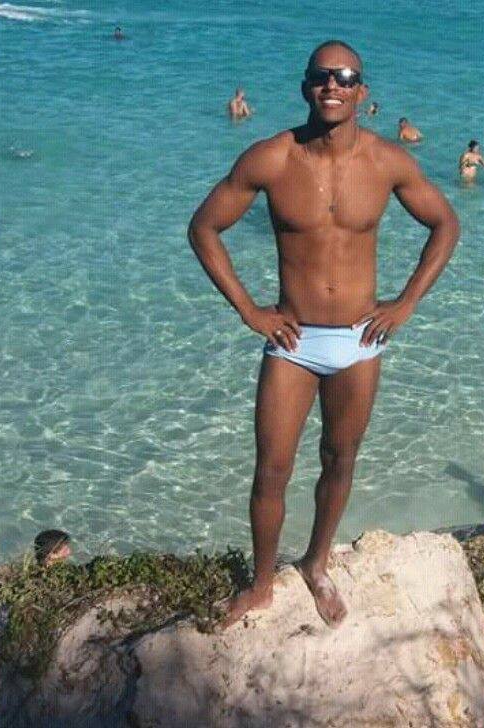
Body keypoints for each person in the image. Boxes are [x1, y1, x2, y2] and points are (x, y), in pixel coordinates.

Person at [188, 40, 459, 629]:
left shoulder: (387, 161)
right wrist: (248, 310)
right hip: (292, 343)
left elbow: (445, 223)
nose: (332, 85)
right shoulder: (271, 158)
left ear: (362, 92)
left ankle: (316, 563)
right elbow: (204, 228)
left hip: (360, 341)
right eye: (321, 76)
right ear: (305, 87)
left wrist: (407, 301)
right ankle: (262, 584)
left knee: (340, 459)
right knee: (272, 469)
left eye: (345, 77)